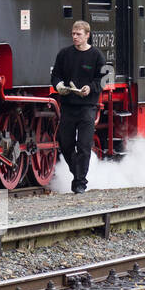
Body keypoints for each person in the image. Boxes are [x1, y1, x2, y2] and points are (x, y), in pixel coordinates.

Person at [50, 20, 107, 194]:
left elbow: (103, 80)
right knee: (65, 144)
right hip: (68, 106)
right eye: (73, 34)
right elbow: (55, 75)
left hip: (87, 107)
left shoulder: (97, 56)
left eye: (79, 34)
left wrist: (90, 88)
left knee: (83, 145)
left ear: (87, 35)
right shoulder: (64, 54)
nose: (75, 37)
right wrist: (58, 85)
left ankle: (80, 183)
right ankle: (78, 173)